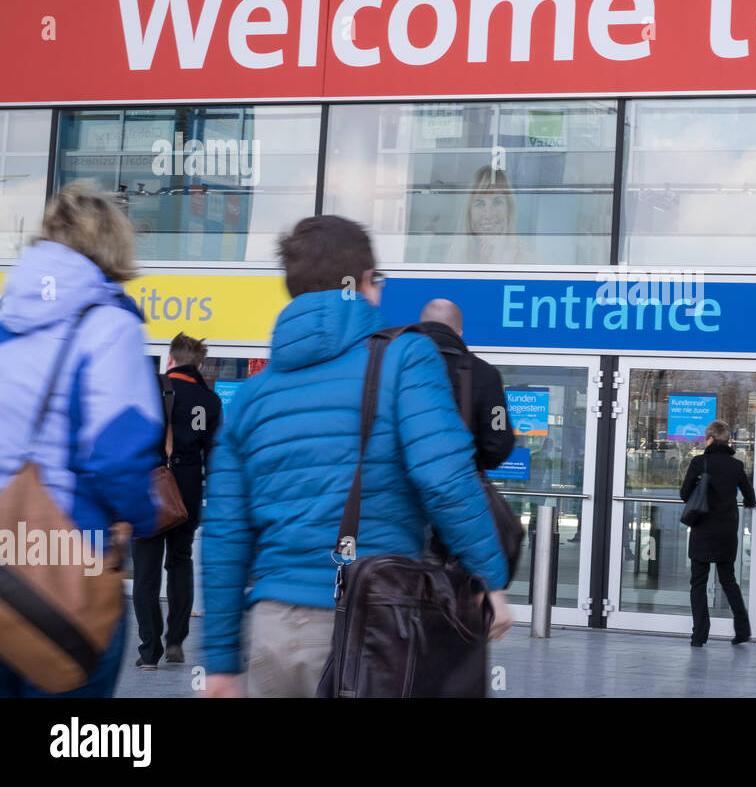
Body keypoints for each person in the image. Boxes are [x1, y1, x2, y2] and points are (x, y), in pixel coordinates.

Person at [201, 215, 512, 699]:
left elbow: (224, 532)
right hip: (369, 627)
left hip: (271, 633)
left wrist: (221, 661)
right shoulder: (406, 357)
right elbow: (444, 478)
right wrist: (490, 577)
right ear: (367, 282)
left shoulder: (252, 397)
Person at [0, 187, 162, 697]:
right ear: (113, 247)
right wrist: (147, 513)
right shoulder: (109, 327)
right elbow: (117, 457)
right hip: (69, 560)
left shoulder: (7, 322)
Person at [132, 332, 222, 669]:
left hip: (148, 490)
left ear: (170, 359)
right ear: (200, 364)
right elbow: (215, 457)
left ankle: (148, 652)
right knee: (180, 563)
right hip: (186, 493)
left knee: (145, 573)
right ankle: (175, 642)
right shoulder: (210, 402)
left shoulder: (147, 388)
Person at [413, 298, 514, 472]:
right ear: (459, 332)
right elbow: (499, 444)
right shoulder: (485, 375)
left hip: (403, 492)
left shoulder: (396, 367)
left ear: (420, 330)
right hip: (462, 488)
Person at [680, 420, 756, 646]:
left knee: (698, 582)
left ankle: (699, 634)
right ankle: (742, 629)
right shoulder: (736, 465)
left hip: (702, 528)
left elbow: (685, 494)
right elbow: (749, 496)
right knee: (728, 580)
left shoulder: (699, 462)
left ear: (711, 439)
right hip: (726, 530)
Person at [446, 167, 530, 264]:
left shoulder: (525, 260)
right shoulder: (454, 255)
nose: (488, 214)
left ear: (509, 210)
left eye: (497, 202)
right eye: (480, 204)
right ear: (468, 212)